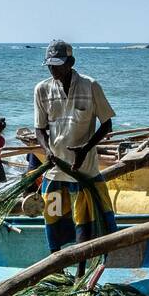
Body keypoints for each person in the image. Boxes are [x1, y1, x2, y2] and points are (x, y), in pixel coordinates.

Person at [33, 40, 116, 273]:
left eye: (58, 65)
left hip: (83, 172)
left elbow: (106, 124)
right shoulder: (42, 89)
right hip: (55, 172)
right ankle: (57, 272)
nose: (53, 70)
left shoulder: (90, 86)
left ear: (71, 62)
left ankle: (81, 273)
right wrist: (47, 150)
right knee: (54, 224)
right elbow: (39, 129)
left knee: (83, 227)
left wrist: (86, 148)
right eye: (50, 65)